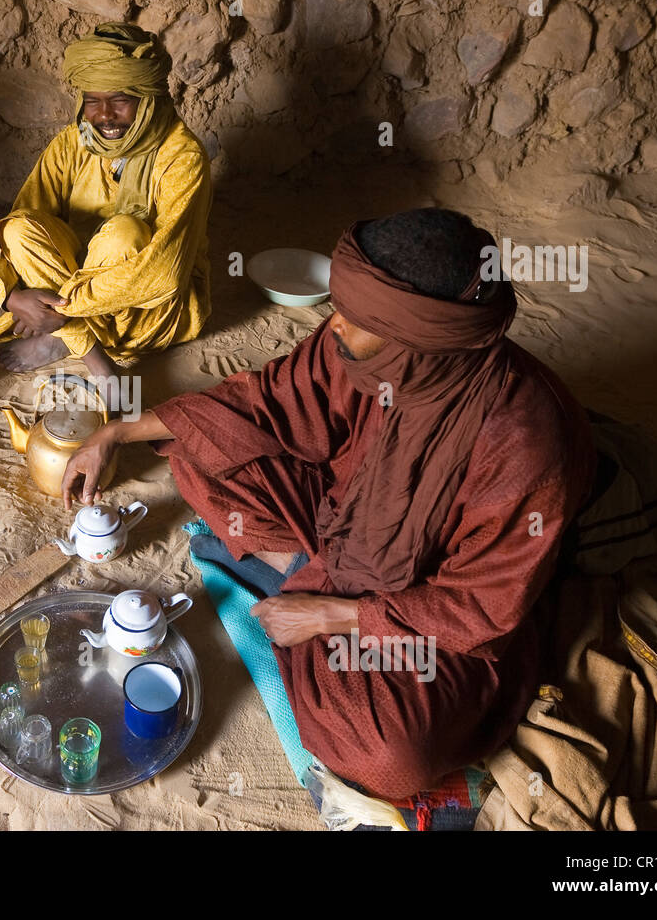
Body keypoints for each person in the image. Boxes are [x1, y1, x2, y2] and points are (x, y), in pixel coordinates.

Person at [60, 209, 597, 800]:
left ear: (418, 338)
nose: (333, 322)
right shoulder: (367, 348)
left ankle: (309, 585)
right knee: (199, 450)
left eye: (357, 316)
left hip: (432, 606)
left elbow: (477, 608)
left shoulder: (526, 446)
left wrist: (334, 615)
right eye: (340, 304)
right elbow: (269, 401)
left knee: (391, 754)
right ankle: (313, 574)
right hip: (344, 513)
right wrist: (114, 434)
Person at [0, 22, 212, 382]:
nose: (103, 115)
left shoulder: (182, 155)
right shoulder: (74, 141)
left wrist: (58, 311)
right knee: (20, 227)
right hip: (74, 280)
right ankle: (91, 353)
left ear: (149, 99)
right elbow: (19, 229)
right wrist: (12, 298)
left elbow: (161, 273)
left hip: (146, 313)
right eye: (92, 100)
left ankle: (64, 337)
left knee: (123, 233)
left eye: (121, 100)